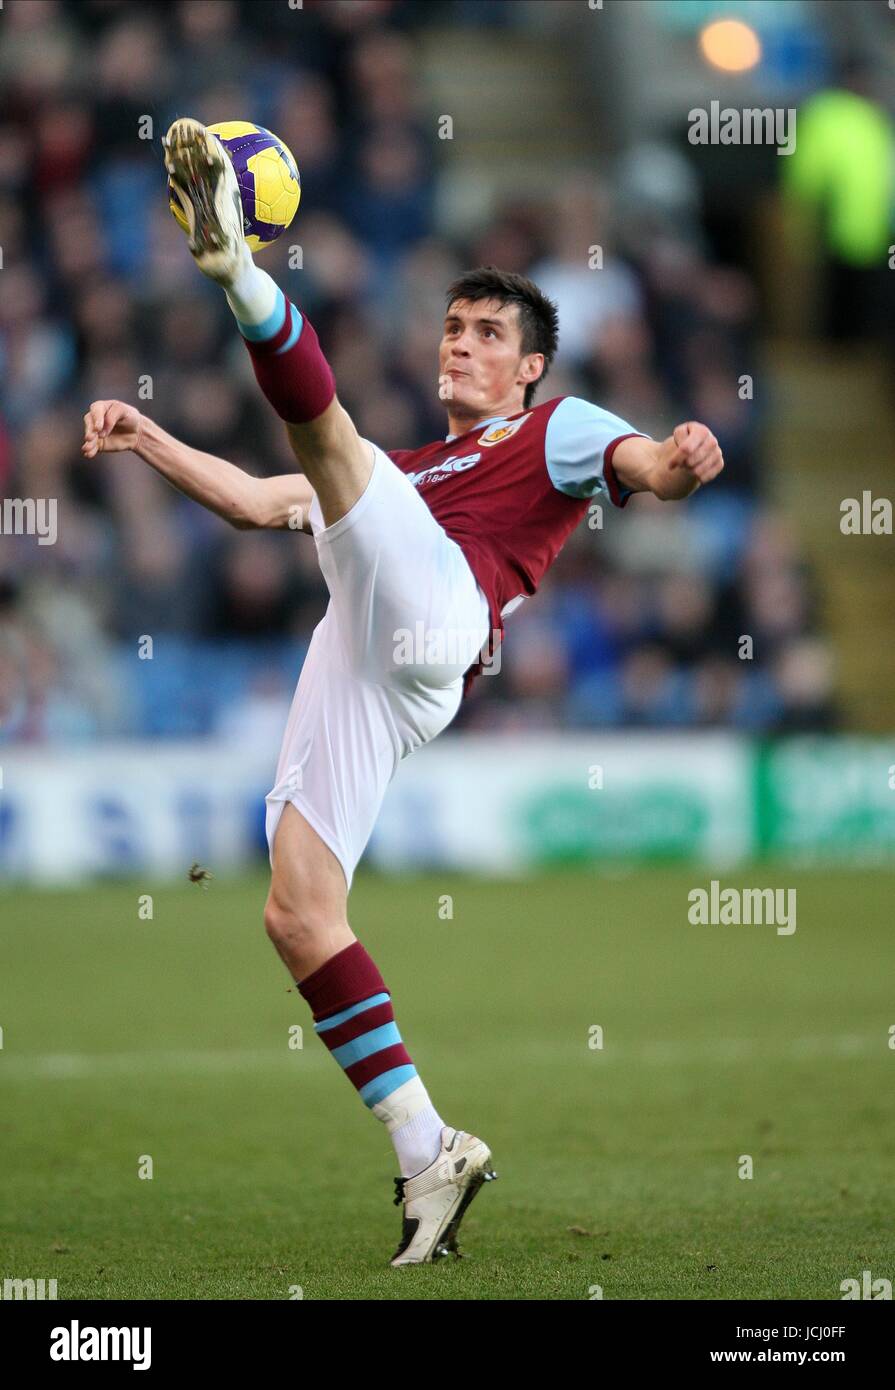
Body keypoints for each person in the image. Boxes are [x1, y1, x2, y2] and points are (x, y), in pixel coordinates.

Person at [82, 118, 724, 1266]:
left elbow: (647, 473)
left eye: (488, 333)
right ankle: (428, 1147)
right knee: (295, 912)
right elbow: (251, 500)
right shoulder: (409, 469)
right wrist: (149, 437)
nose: (462, 344)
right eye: (453, 327)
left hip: (438, 617)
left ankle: (235, 268)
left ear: (529, 365)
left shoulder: (556, 427)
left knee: (342, 462)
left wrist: (680, 457)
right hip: (373, 643)